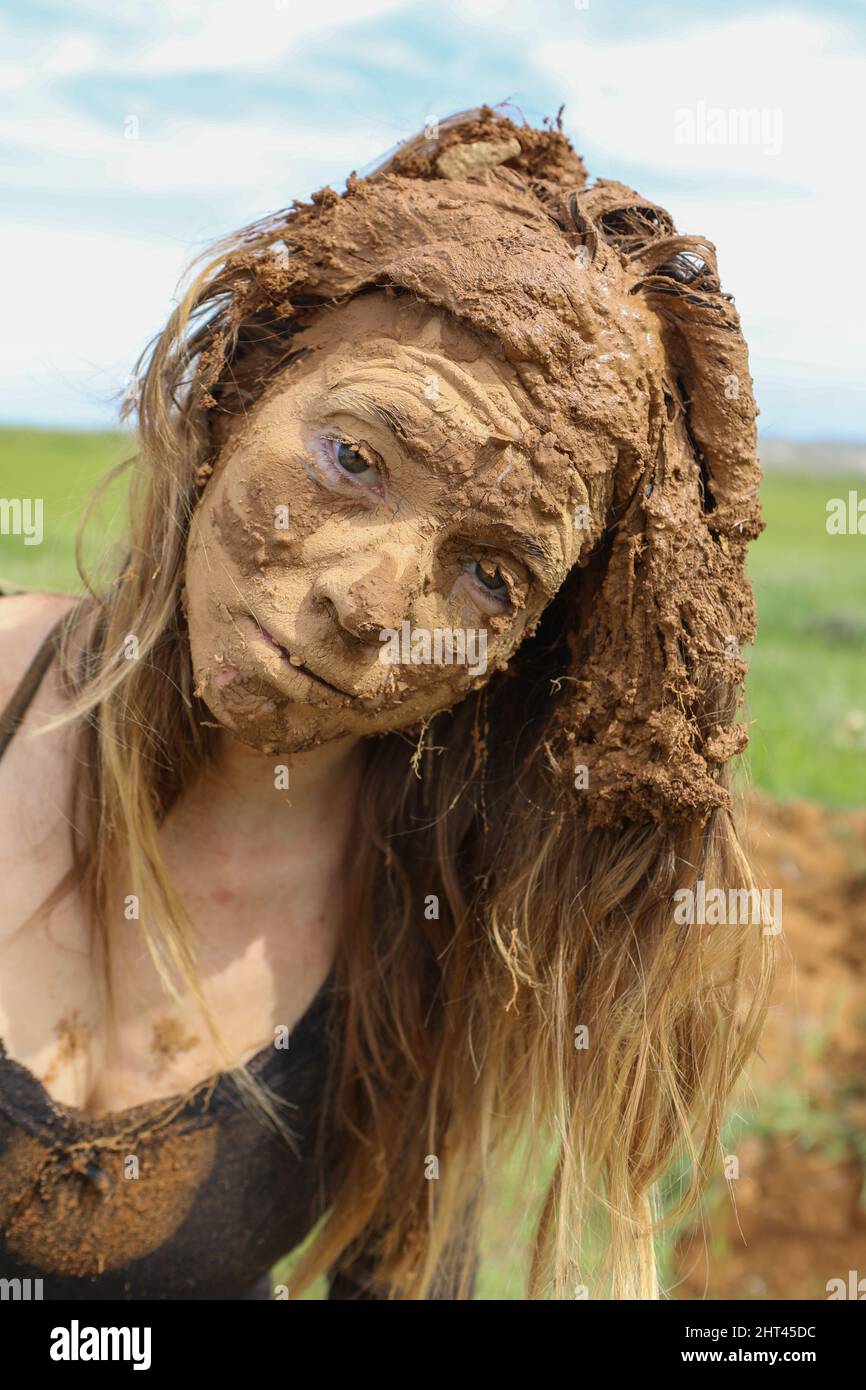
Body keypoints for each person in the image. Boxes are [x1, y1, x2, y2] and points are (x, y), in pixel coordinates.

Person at [0, 104, 774, 1300]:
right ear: (236, 385)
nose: (372, 605)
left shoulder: (438, 916)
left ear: (520, 645)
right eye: (353, 459)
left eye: (487, 571)